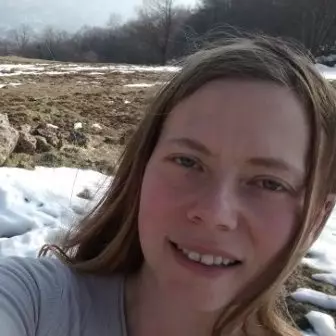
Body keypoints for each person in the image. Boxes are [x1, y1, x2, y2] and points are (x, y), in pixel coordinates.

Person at [1, 35, 336, 336]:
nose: (214, 213)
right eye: (188, 162)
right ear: (142, 168)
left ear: (318, 218)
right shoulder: (35, 303)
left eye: (268, 183)